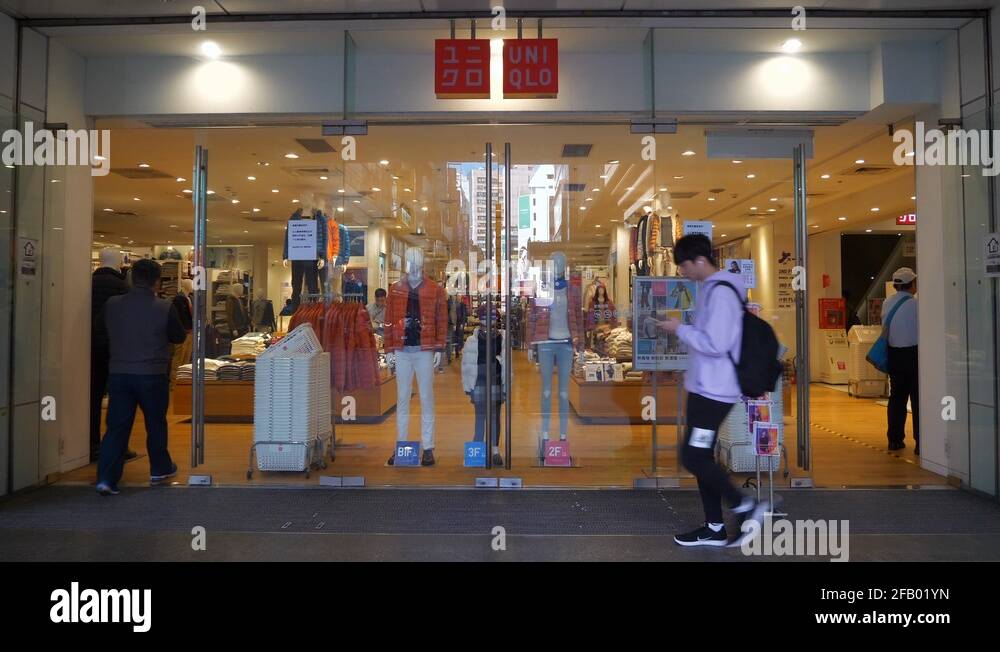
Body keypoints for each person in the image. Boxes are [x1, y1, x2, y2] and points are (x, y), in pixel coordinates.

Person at [657, 234, 767, 547]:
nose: (682, 272)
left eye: (684, 265)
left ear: (700, 261)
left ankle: (744, 503)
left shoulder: (720, 292)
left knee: (693, 456)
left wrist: (679, 328)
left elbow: (715, 344)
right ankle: (714, 527)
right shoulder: (718, 288)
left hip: (713, 392)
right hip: (707, 387)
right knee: (701, 456)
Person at [96, 259, 186, 496]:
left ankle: (106, 477)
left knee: (116, 426)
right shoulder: (164, 307)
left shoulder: (112, 305)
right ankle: (159, 468)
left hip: (119, 373)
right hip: (152, 373)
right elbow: (178, 337)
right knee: (155, 423)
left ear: (131, 278)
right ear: (157, 281)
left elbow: (100, 331)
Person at [90, 248, 136, 464]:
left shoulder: (88, 283)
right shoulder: (121, 287)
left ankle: (92, 443)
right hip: (116, 349)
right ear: (119, 263)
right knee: (119, 400)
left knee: (93, 395)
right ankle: (117, 446)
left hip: (90, 347)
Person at [462, 304, 507, 466]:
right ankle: (477, 447)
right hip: (479, 382)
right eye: (484, 317)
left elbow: (508, 365)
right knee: (480, 416)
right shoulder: (472, 340)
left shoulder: (502, 338)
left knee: (495, 416)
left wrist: (506, 385)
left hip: (495, 380)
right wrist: (468, 385)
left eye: (493, 317)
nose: (488, 320)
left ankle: (495, 450)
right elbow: (466, 365)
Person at [882, 267, 919, 454]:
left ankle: (894, 440)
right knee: (917, 398)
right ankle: (921, 442)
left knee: (897, 399)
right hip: (914, 355)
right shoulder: (915, 304)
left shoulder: (887, 303)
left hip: (894, 355)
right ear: (911, 284)